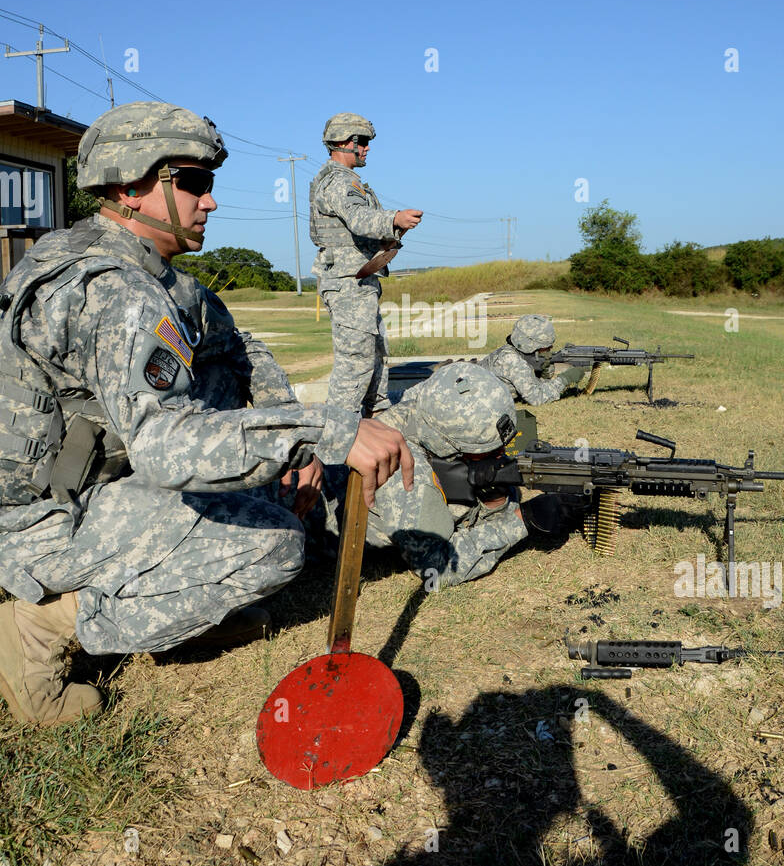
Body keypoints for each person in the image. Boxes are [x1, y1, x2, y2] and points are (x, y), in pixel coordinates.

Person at [0, 102, 413, 727]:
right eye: (192, 183)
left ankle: (166, 607)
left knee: (267, 487)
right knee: (273, 547)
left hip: (96, 485)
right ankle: (39, 626)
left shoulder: (149, 273)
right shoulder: (113, 288)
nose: (210, 201)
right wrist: (324, 433)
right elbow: (166, 444)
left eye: (208, 183)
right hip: (41, 519)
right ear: (128, 187)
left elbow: (238, 345)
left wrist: (285, 426)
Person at [319, 363, 578, 590]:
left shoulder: (432, 411)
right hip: (314, 535)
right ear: (448, 446)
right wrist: (524, 520)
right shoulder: (405, 471)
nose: (501, 454)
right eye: (486, 452)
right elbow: (436, 572)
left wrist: (494, 499)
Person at [309, 113, 422, 415]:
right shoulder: (338, 183)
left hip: (358, 280)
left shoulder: (348, 181)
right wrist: (393, 219)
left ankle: (375, 419)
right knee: (355, 361)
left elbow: (360, 227)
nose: (367, 149)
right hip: (348, 283)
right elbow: (360, 220)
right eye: (364, 143)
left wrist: (390, 233)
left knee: (374, 355)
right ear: (347, 143)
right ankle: (339, 435)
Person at [479, 314, 585, 406]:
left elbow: (534, 385)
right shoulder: (513, 362)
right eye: (545, 346)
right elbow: (537, 398)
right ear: (530, 345)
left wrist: (544, 375)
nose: (550, 348)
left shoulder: (510, 351)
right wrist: (566, 378)